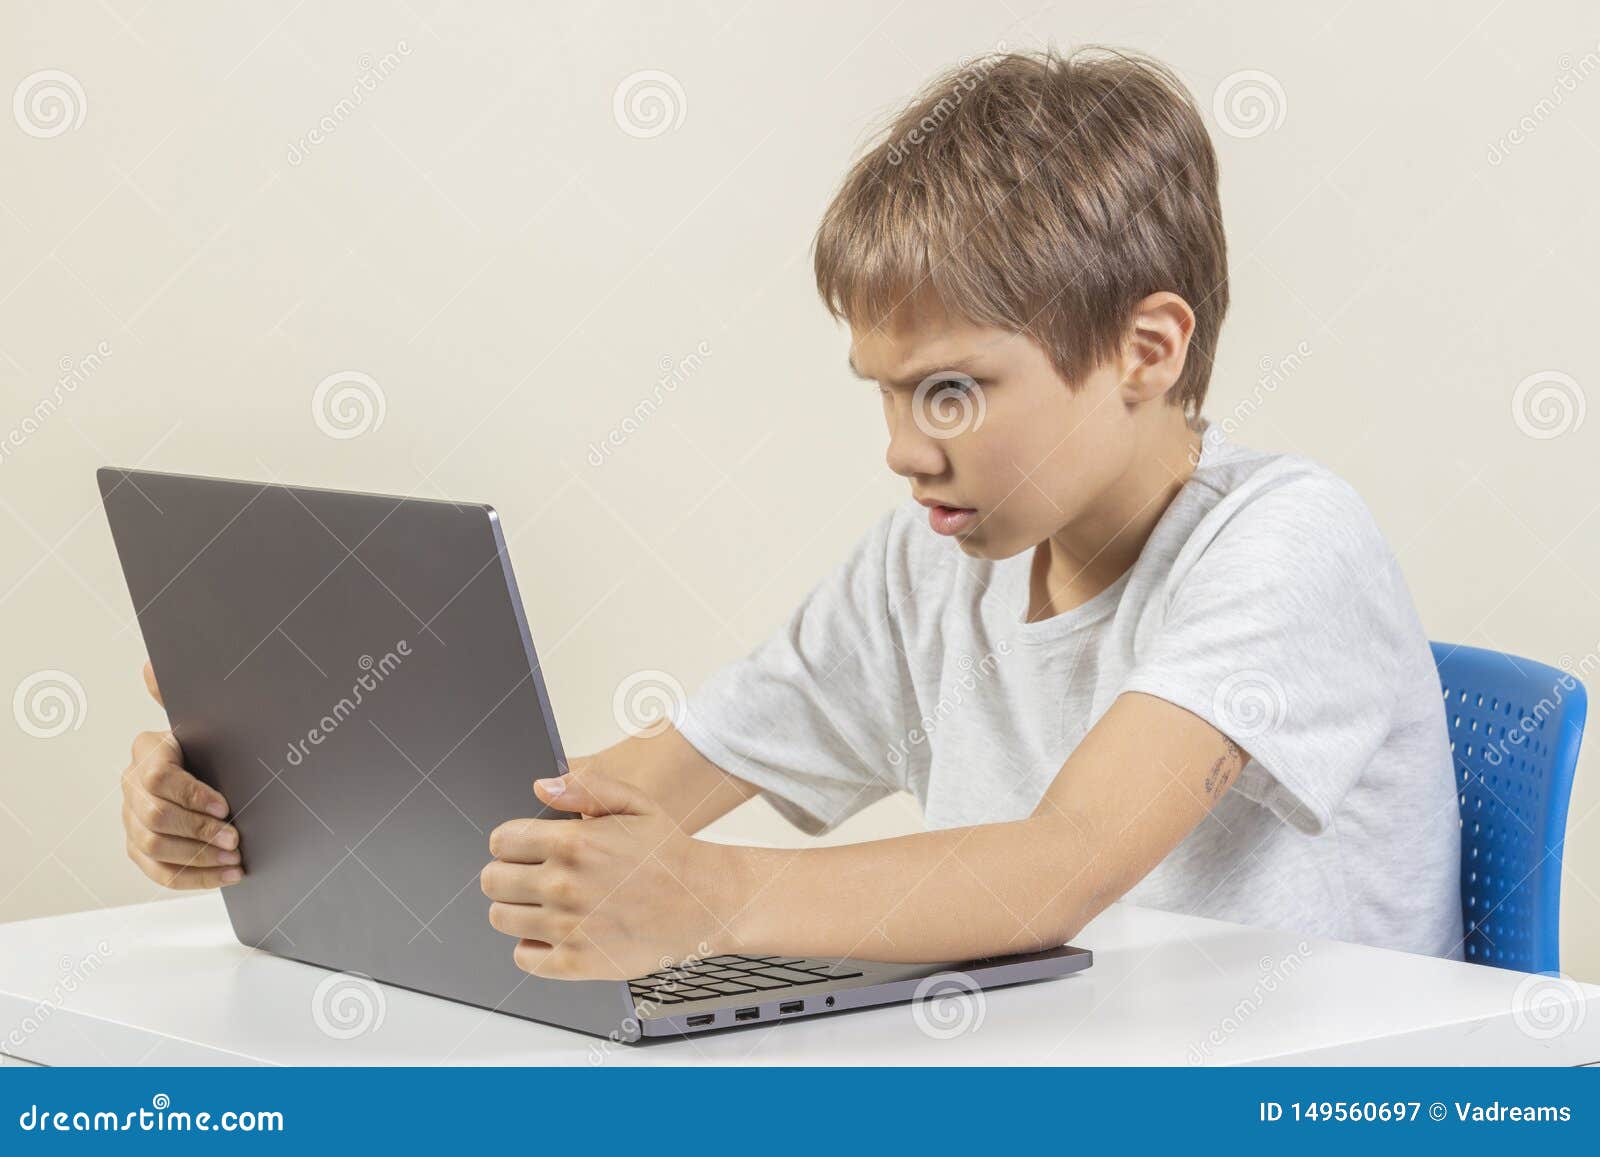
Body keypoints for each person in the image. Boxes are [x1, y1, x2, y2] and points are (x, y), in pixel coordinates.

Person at [119, 47, 1462, 981]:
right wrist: (293, 800)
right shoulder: (937, 563)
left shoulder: (1289, 544)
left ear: (1146, 350)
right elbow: (614, 801)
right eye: (883, 395)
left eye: (951, 391)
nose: (901, 451)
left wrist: (712, 899)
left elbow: (1062, 865)